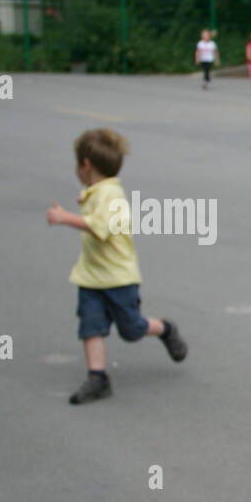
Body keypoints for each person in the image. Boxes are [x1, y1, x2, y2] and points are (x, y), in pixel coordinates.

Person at [44, 128, 188, 405]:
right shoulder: (97, 191)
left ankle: (165, 329)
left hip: (119, 278)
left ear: (85, 165)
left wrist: (63, 217)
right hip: (91, 277)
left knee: (131, 329)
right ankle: (98, 377)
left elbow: (100, 228)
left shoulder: (111, 196)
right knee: (90, 326)